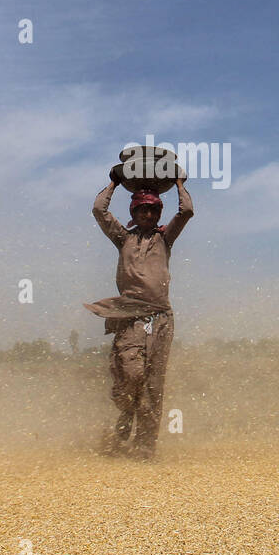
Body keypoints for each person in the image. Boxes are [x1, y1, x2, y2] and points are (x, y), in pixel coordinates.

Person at [88, 176, 193, 459]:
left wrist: (180, 184)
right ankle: (124, 421)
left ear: (158, 213)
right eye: (141, 210)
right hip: (131, 317)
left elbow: (186, 212)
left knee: (153, 385)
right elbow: (99, 210)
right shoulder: (123, 238)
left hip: (160, 318)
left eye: (153, 210)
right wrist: (114, 184)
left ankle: (145, 446)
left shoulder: (164, 239)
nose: (147, 214)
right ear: (133, 213)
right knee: (131, 374)